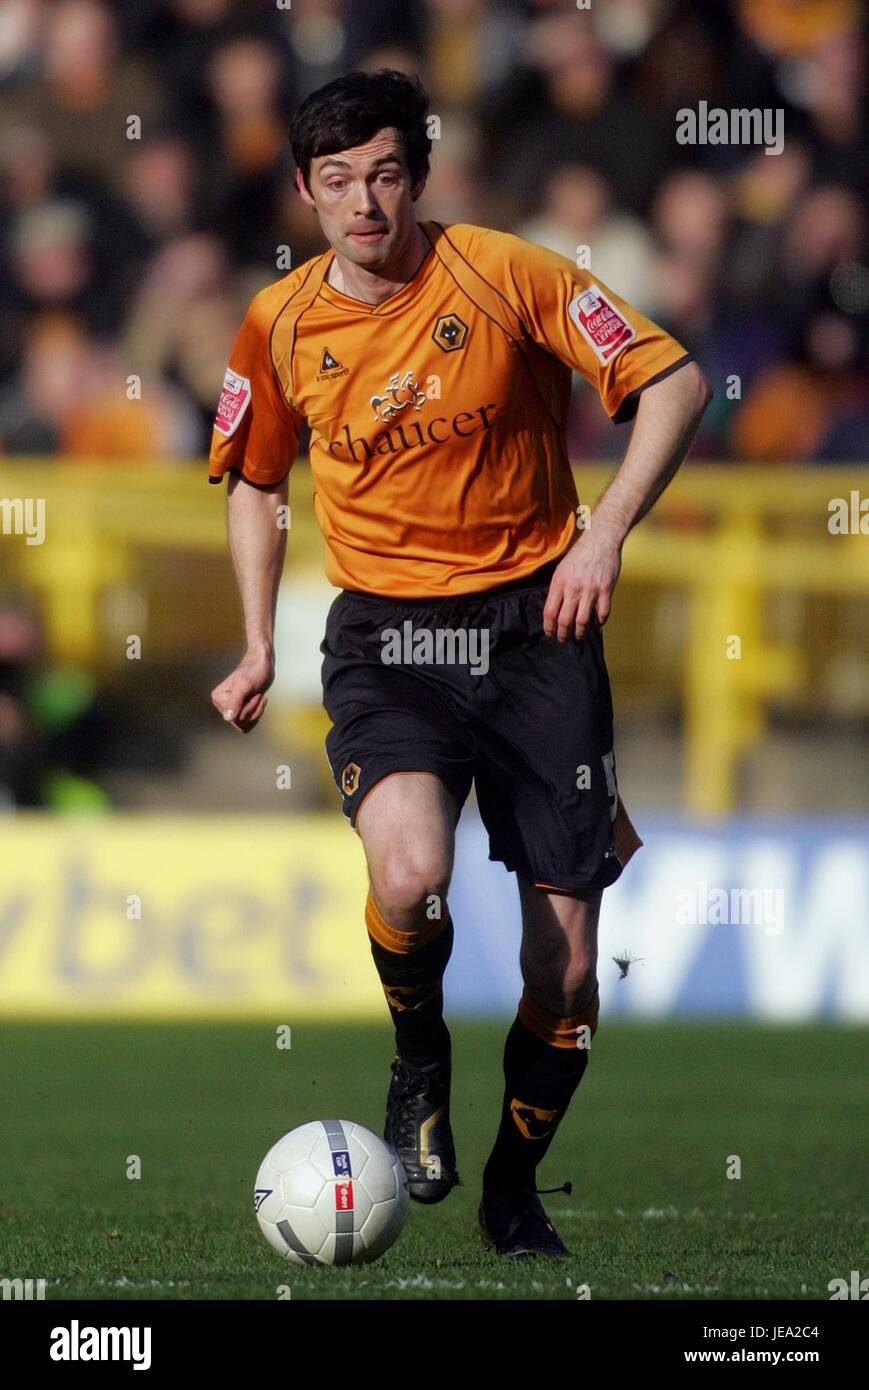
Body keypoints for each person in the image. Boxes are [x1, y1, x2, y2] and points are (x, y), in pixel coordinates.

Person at [209, 69, 711, 1258]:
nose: (363, 204)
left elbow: (675, 382)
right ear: (303, 190)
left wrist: (602, 531)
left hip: (539, 628)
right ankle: (417, 1060)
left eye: (384, 174)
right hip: (388, 637)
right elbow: (254, 480)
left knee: (569, 968)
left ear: (418, 176)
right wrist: (248, 638)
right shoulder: (276, 320)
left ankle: (510, 1183)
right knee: (407, 869)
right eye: (335, 182)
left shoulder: (505, 271)